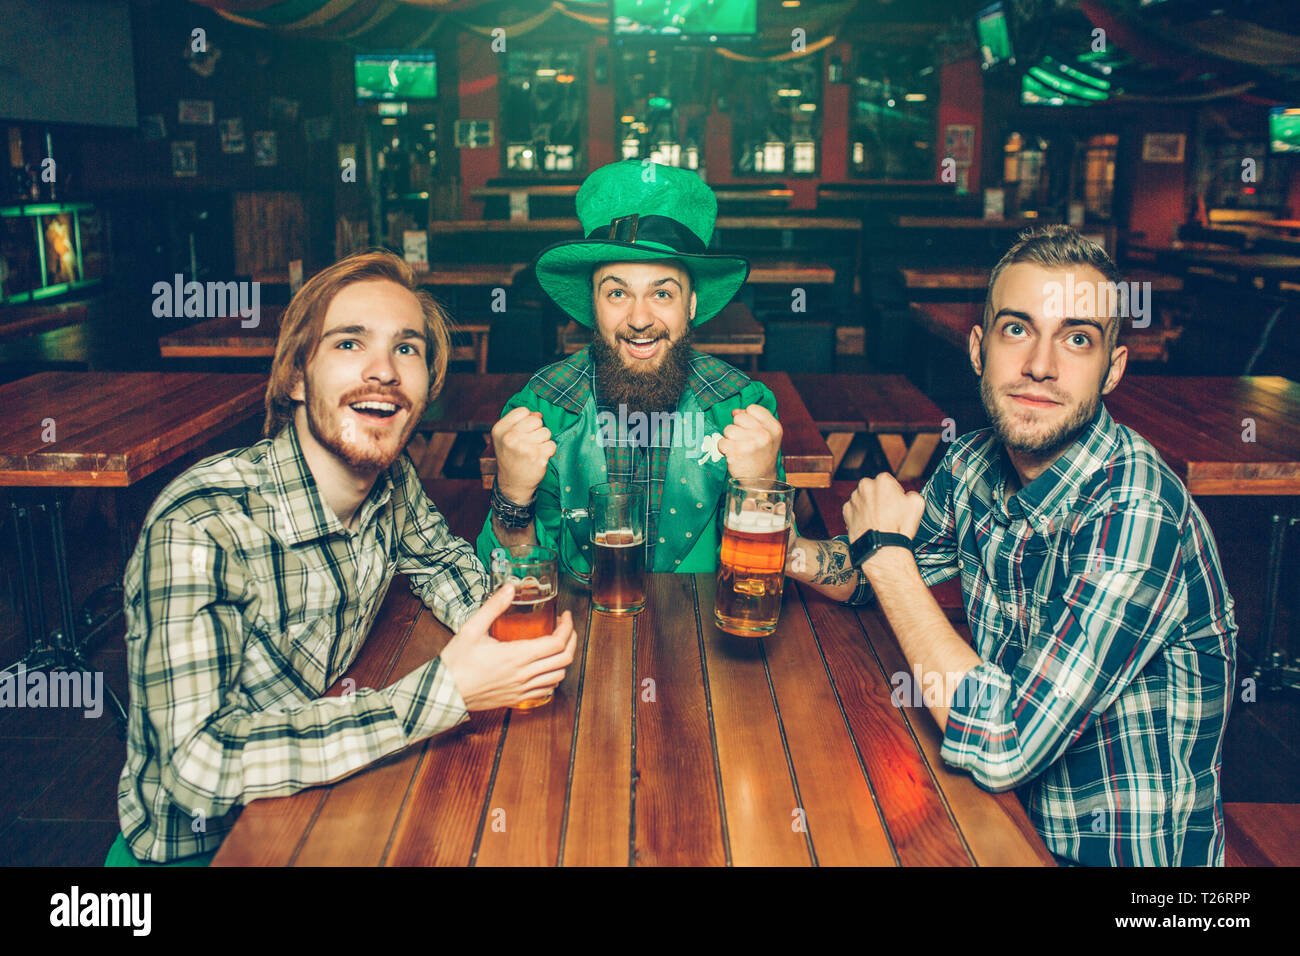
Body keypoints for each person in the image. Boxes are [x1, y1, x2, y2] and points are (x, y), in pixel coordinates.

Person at [108, 251, 577, 866]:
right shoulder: (201, 526)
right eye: (350, 343)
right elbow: (198, 767)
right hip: (200, 847)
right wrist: (447, 690)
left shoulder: (391, 481)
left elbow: (440, 562)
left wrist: (509, 640)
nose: (383, 370)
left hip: (320, 785)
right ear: (298, 378)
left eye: (407, 349)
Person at [789, 226, 1237, 866]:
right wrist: (791, 551)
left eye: (1076, 339)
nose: (1040, 366)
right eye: (1017, 329)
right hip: (1004, 825)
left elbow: (1006, 742)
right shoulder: (974, 462)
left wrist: (887, 555)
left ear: (1113, 370)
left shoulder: (1139, 511)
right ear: (978, 349)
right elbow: (871, 576)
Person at [477, 160, 785, 575]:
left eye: (662, 293)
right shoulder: (540, 409)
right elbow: (514, 582)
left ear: (690, 305)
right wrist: (512, 498)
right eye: (618, 292)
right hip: (577, 631)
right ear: (593, 304)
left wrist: (760, 489)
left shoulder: (742, 408)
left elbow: (767, 573)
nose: (640, 319)